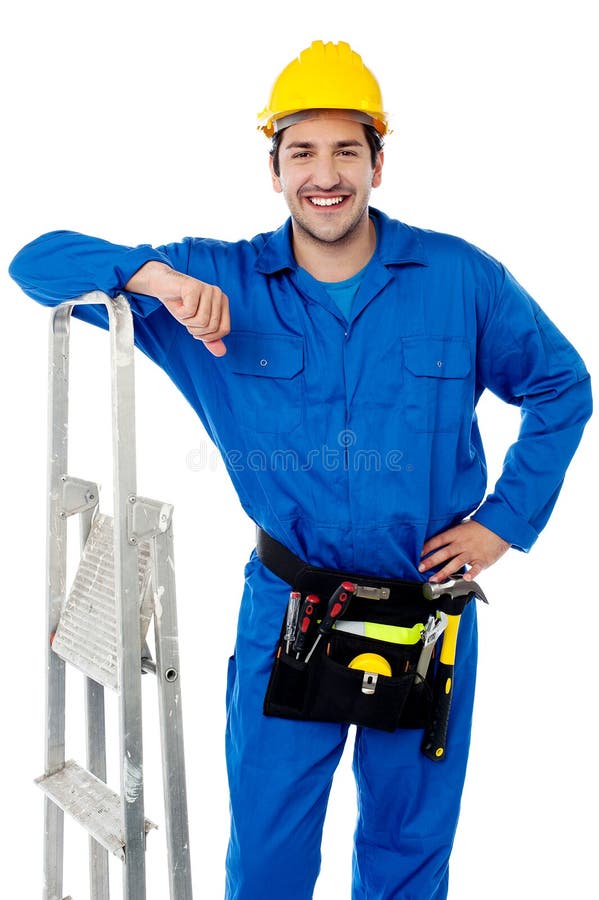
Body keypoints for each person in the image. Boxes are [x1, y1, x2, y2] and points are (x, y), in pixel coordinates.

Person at [9, 39, 592, 900]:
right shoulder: (215, 281)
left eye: (346, 150)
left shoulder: (458, 279)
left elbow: (561, 385)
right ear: (273, 169)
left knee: (406, 852)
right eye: (302, 151)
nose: (325, 174)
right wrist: (153, 277)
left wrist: (504, 521)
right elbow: (35, 262)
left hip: (424, 615)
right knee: (271, 857)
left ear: (378, 164)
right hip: (289, 611)